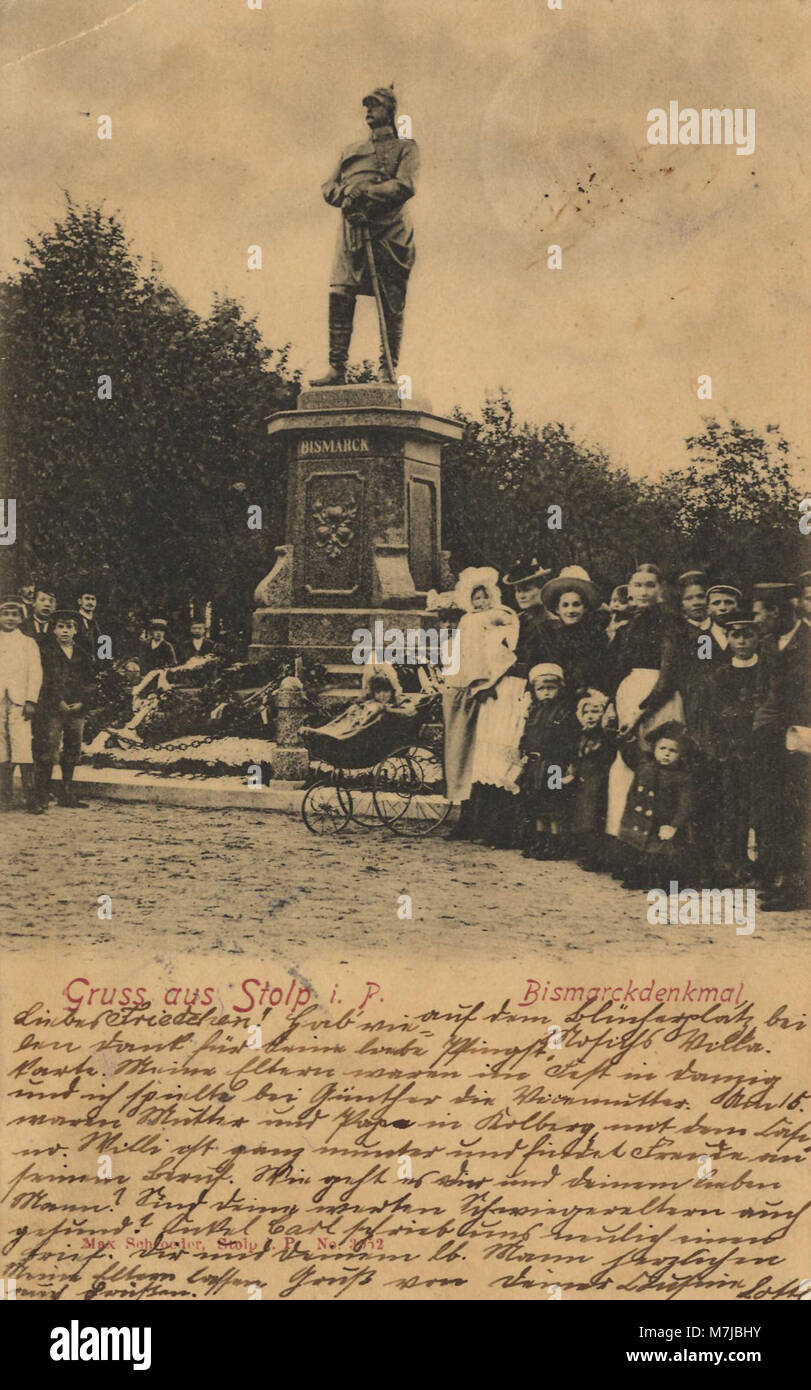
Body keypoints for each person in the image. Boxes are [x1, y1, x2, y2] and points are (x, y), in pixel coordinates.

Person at [311, 86, 419, 384]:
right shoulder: (349, 150)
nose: (368, 111)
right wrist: (346, 192)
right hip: (352, 230)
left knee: (390, 302)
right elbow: (327, 187)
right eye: (366, 106)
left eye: (375, 105)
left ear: (389, 110)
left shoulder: (406, 148)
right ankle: (336, 368)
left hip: (390, 233)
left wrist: (367, 193)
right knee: (340, 293)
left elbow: (405, 185)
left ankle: (387, 370)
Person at [604, 563, 684, 864]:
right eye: (637, 585)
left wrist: (640, 713)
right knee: (623, 768)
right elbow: (618, 670)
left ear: (661, 590)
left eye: (650, 585)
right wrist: (613, 705)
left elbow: (669, 674)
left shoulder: (669, 623)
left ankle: (649, 855)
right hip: (629, 698)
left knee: (652, 769)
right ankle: (622, 845)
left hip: (655, 703)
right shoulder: (628, 626)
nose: (643, 591)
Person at [441, 567, 521, 841]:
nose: (480, 603)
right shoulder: (466, 621)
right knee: (462, 754)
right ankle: (465, 817)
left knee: (483, 758)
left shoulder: (498, 617)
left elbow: (503, 650)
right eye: (476, 598)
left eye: (485, 597)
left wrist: (486, 682)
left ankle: (481, 820)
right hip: (462, 689)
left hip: (488, 689)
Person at [752, 582, 810, 911]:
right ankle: (782, 879)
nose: (757, 620)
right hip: (773, 737)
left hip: (803, 736)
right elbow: (764, 690)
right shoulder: (770, 641)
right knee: (776, 808)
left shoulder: (807, 640)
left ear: (776, 612)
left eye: (760, 613)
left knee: (798, 809)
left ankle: (799, 886)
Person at [702, 610, 761, 886]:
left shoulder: (766, 670)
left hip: (760, 751)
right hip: (729, 753)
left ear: (757, 638)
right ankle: (731, 864)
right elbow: (714, 715)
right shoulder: (720, 675)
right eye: (735, 635)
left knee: (758, 807)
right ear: (727, 638)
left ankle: (760, 865)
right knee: (730, 808)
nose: (742, 641)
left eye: (748, 635)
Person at [617, 721, 694, 890]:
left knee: (664, 854)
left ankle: (670, 884)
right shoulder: (645, 766)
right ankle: (637, 878)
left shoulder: (682, 777)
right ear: (654, 750)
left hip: (663, 822)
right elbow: (629, 754)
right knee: (636, 850)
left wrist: (674, 825)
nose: (666, 754)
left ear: (681, 755)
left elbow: (685, 804)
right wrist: (627, 739)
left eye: (672, 751)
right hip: (641, 818)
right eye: (662, 749)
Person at [35, 610, 97, 809]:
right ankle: (42, 795)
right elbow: (42, 681)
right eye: (60, 626)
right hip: (53, 709)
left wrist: (82, 702)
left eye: (69, 627)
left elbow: (90, 682)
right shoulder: (45, 652)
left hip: (76, 709)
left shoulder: (83, 654)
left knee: (72, 750)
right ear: (53, 630)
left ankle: (66, 793)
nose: (64, 631)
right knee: (49, 750)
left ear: (75, 630)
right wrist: (57, 701)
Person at [517, 663, 578, 859]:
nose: (546, 693)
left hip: (554, 765)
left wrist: (568, 763)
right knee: (536, 802)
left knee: (553, 803)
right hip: (535, 765)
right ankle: (540, 840)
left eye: (551, 688)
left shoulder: (564, 713)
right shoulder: (533, 712)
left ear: (559, 689)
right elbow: (526, 735)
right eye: (541, 689)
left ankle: (555, 842)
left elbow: (570, 740)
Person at [0, 595, 43, 813]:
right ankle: (4, 797)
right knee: (0, 748)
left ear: (21, 618)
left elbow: (35, 673)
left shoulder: (28, 643)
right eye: (5, 614)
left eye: (14, 614)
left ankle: (31, 798)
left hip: (19, 701)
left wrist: (30, 700)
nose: (9, 618)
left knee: (23, 746)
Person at [538, 566, 609, 696]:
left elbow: (601, 670)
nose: (570, 611)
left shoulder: (596, 634)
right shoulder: (549, 633)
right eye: (565, 605)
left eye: (576, 604)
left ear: (585, 607)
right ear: (557, 609)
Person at [569, 688, 615, 872]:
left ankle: (597, 856)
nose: (590, 716)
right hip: (584, 782)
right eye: (586, 712)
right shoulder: (582, 735)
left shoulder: (605, 736)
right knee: (583, 818)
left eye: (595, 712)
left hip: (599, 782)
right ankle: (586, 852)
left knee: (596, 818)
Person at [501, 556, 552, 678]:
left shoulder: (551, 621)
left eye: (527, 590)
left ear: (542, 590)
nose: (521, 596)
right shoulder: (517, 620)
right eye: (518, 591)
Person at [705, 584, 742, 650]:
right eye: (716, 603)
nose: (723, 608)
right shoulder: (700, 638)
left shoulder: (748, 639)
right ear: (708, 610)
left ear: (738, 608)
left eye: (728, 602)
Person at [75, 586, 101, 660]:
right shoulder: (73, 620)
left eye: (93, 599)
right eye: (87, 599)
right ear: (79, 601)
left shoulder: (98, 622)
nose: (90, 602)